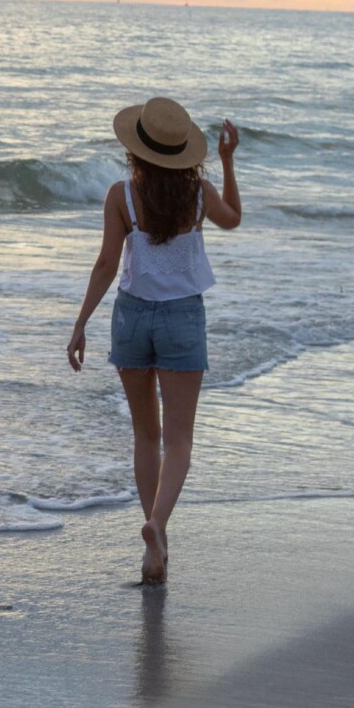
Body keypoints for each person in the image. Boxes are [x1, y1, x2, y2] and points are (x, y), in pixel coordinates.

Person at [67, 96, 241, 583]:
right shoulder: (199, 193)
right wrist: (228, 161)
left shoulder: (120, 196)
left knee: (146, 435)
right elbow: (234, 219)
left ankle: (153, 548)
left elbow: (105, 265)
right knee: (180, 440)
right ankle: (157, 526)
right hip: (182, 320)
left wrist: (81, 323)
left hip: (131, 318)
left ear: (136, 150)